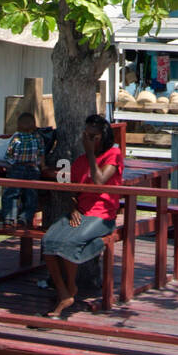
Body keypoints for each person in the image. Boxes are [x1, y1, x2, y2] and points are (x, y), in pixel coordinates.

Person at [43, 114, 124, 318]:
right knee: (49, 240)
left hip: (102, 214)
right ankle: (64, 291)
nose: (89, 140)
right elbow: (71, 187)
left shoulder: (113, 154)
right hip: (81, 212)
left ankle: (70, 289)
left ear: (103, 137)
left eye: (94, 136)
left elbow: (99, 181)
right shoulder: (79, 161)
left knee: (71, 241)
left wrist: (90, 153)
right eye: (86, 135)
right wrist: (73, 208)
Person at [1, 112, 45, 227]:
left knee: (12, 193)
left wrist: (10, 164)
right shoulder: (38, 137)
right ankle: (25, 218)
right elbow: (41, 153)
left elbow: (9, 154)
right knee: (31, 195)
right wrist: (41, 165)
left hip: (17, 168)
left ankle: (10, 218)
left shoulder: (16, 138)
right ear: (34, 126)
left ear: (18, 126)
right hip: (32, 168)